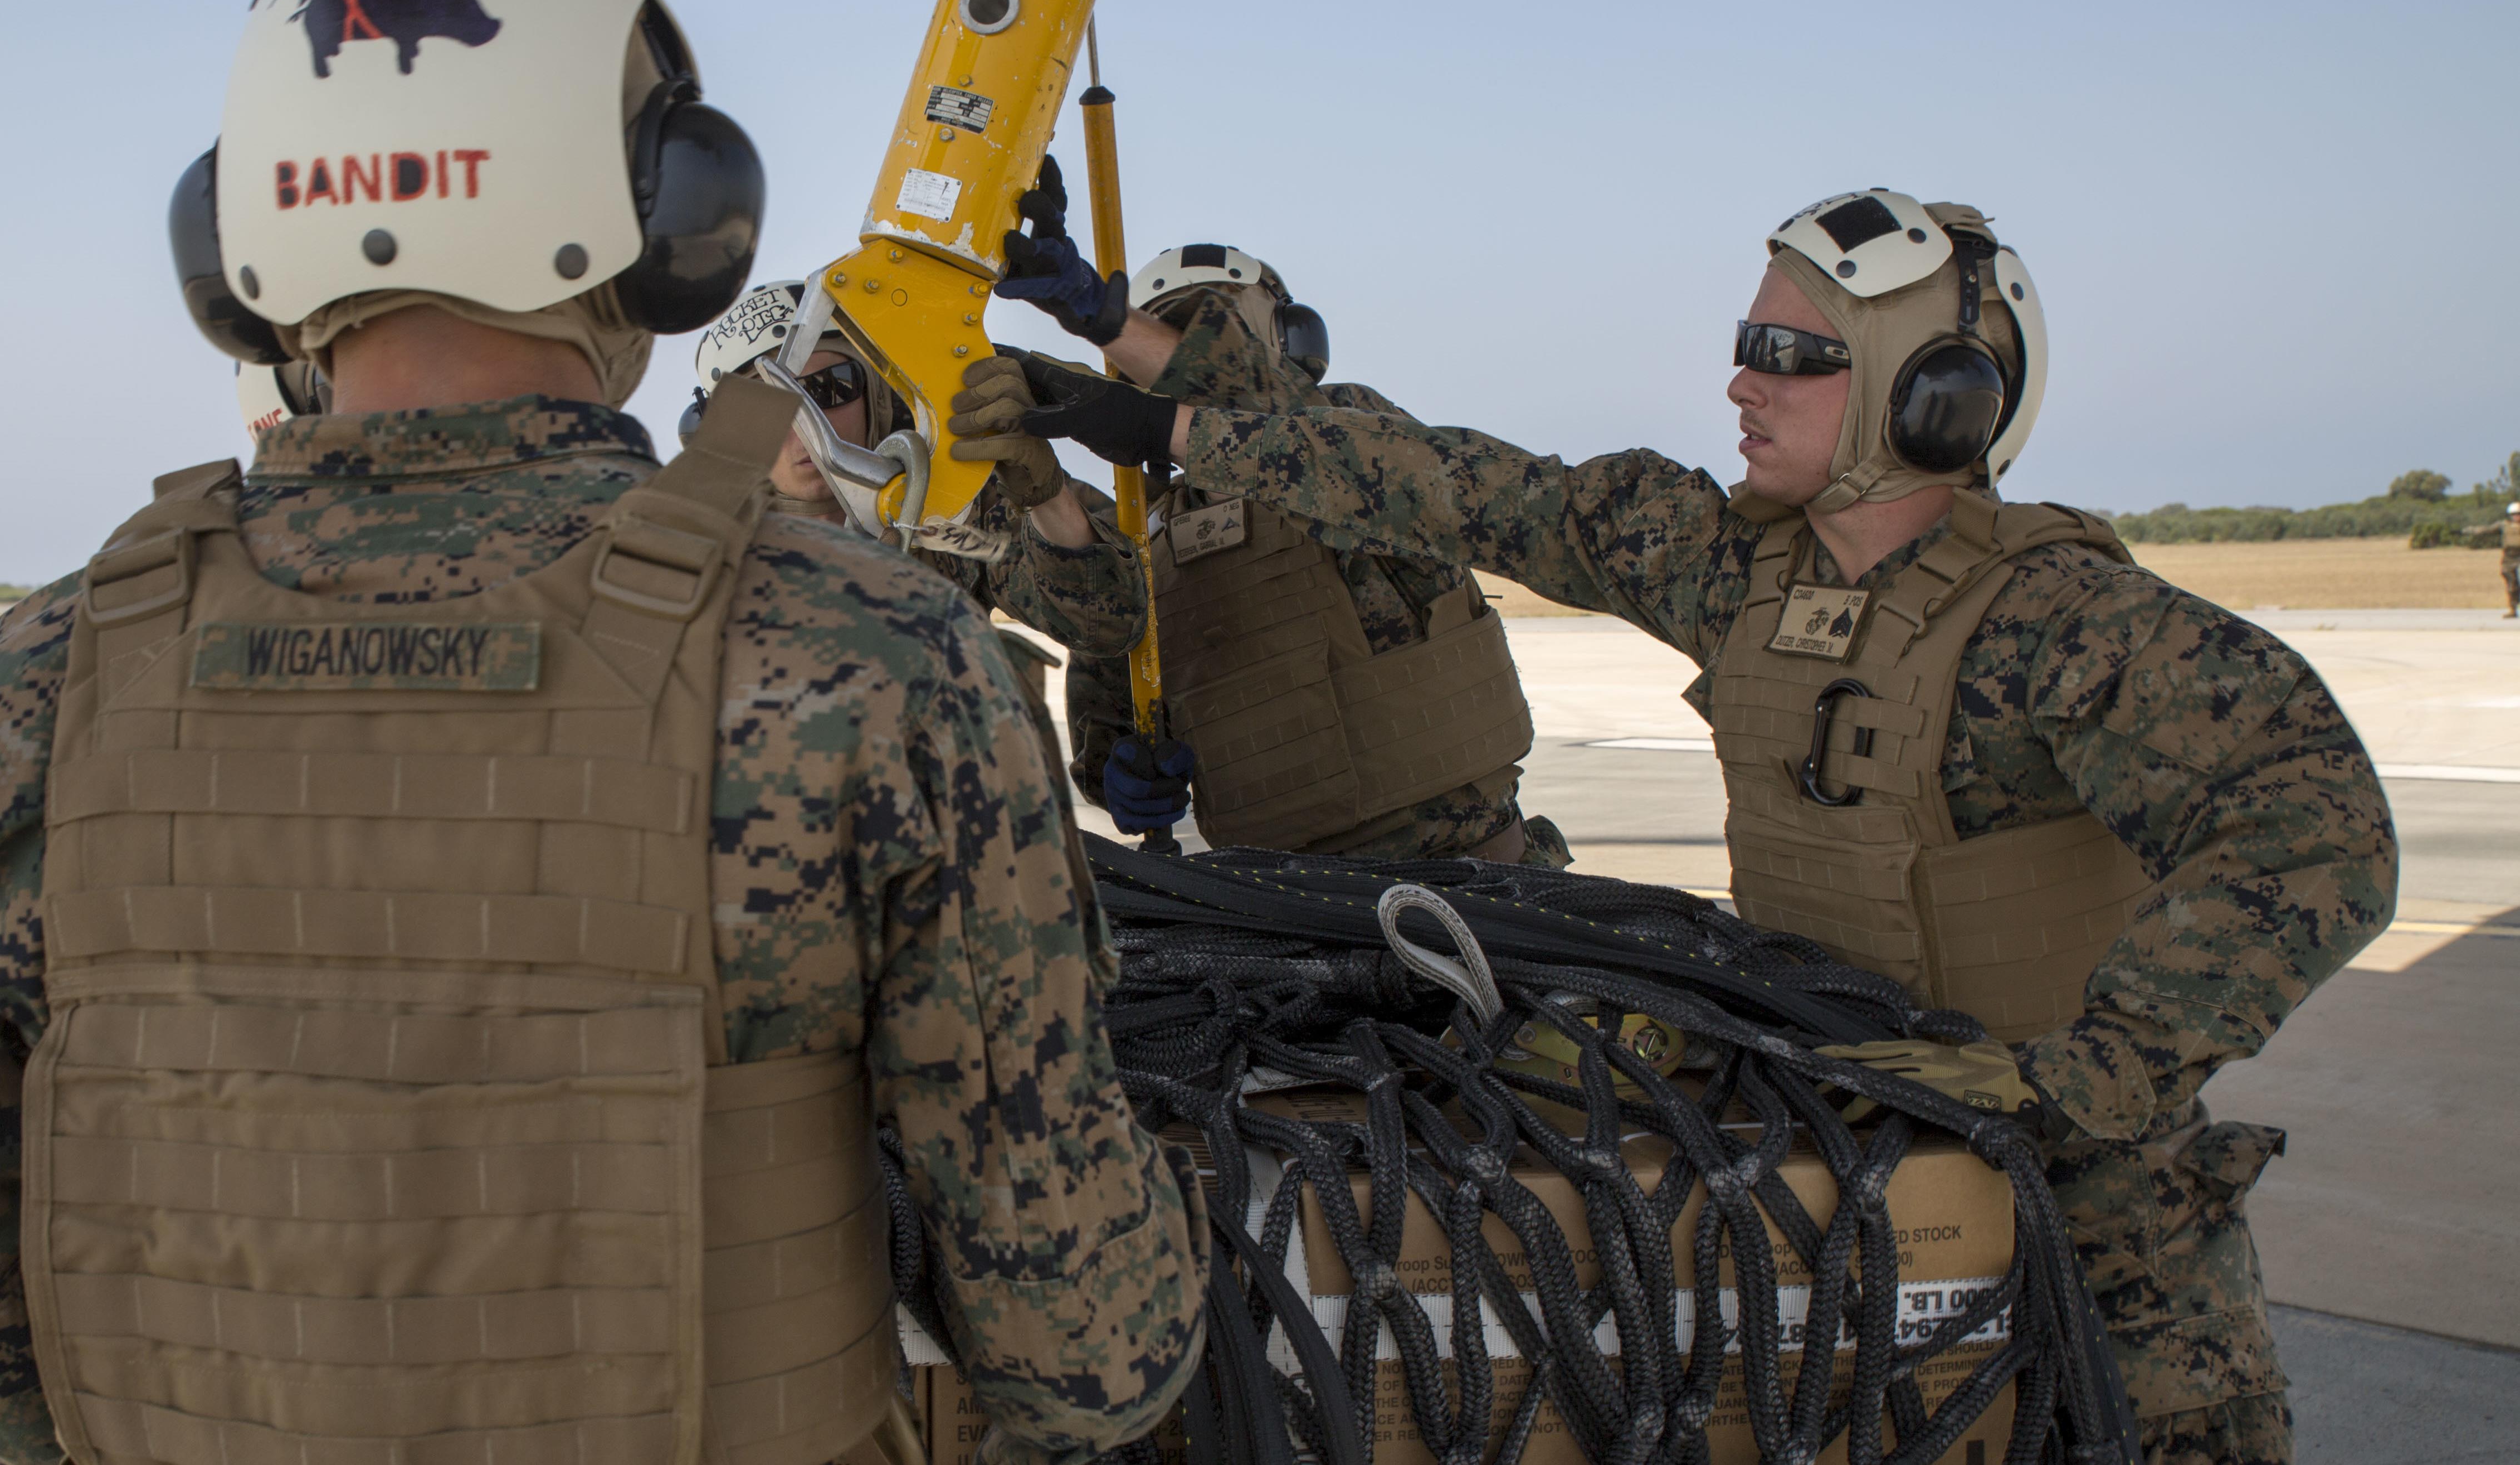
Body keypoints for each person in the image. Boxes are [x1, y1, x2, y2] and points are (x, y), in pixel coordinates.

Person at [0, 0, 1200, 1465]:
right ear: (671, 213)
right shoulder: (879, 669)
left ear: (237, 238)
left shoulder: (19, 701)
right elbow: (1087, 1355)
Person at [1000, 188, 2397, 1464]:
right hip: (1843, 1164)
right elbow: (1466, 486)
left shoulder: (2062, 621)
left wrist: (2088, 1074)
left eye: (1789, 354)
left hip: (2087, 1223)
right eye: (1747, 344)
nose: (1740, 381)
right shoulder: (1730, 568)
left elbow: (2314, 827)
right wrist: (1162, 427)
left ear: (1935, 400)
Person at [992, 212, 1552, 862]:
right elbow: (1108, 715)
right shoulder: (1141, 536)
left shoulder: (1358, 435)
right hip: (1288, 908)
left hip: (1475, 877)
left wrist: (1102, 318)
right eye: (1170, 342)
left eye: (1215, 339)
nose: (1194, 365)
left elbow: (1283, 427)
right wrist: (1124, 775)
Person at [680, 281, 1148, 775]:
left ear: (875, 387)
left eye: (830, 388)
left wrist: (1047, 496)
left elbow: (1108, 623)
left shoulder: (949, 498)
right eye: (766, 409)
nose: (807, 428)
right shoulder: (700, 554)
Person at [2499, 500, 2517, 617]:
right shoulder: (2504, 525)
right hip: (2509, 559)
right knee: (2512, 586)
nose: (2517, 516)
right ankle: (2513, 610)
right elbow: (2486, 529)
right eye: (2515, 514)